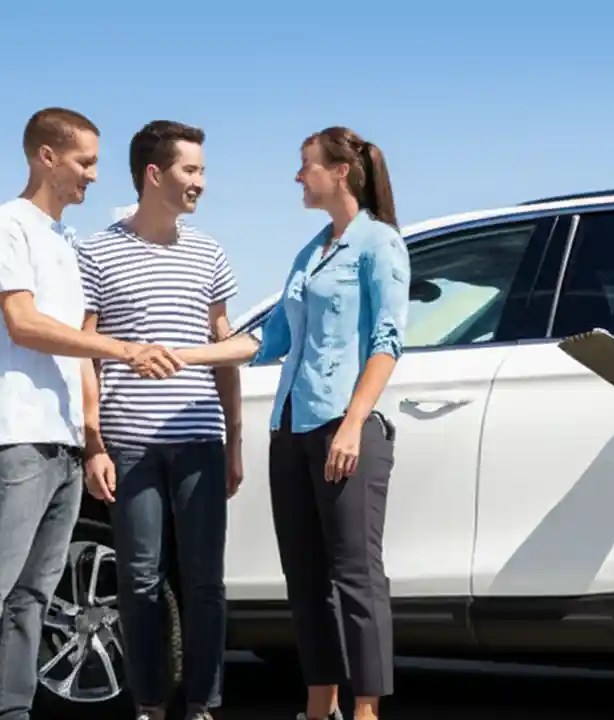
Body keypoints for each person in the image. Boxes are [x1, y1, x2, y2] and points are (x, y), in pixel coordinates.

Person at [0, 107, 181, 720]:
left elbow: (77, 350)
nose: (94, 176)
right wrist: (122, 349)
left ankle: (12, 713)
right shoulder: (7, 225)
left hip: (65, 445)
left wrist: (93, 441)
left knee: (31, 597)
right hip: (14, 439)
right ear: (46, 157)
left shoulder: (65, 243)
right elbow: (23, 324)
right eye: (85, 161)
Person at [174, 126, 409, 720]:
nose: (298, 176)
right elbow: (268, 339)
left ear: (340, 172)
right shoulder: (310, 252)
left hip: (344, 427)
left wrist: (355, 424)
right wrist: (186, 354)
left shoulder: (380, 245)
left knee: (357, 576)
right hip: (291, 429)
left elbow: (386, 342)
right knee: (304, 581)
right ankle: (316, 705)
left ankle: (366, 711)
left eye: (306, 166)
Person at [76, 120, 242, 720]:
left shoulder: (209, 252)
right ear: (155, 174)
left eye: (201, 170)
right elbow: (85, 354)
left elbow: (226, 350)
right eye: (190, 170)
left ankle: (202, 705)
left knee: (205, 583)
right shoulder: (95, 251)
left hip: (200, 439)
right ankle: (148, 706)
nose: (201, 181)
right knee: (140, 581)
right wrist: (93, 443)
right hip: (130, 445)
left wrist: (235, 442)